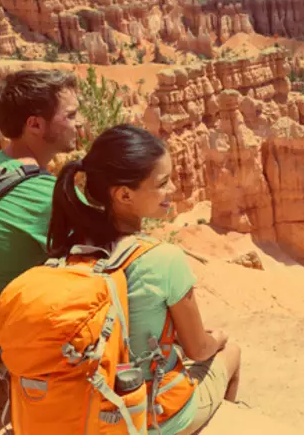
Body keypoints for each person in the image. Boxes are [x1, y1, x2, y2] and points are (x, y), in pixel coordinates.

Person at [49, 124, 241, 435]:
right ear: (124, 194)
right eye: (162, 183)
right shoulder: (163, 258)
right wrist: (218, 337)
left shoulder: (72, 251)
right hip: (148, 418)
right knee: (231, 353)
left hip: (90, 410)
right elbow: (198, 349)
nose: (173, 190)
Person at [0, 68, 80, 320]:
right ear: (35, 124)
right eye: (71, 115)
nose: (80, 122)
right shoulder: (49, 197)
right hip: (9, 338)